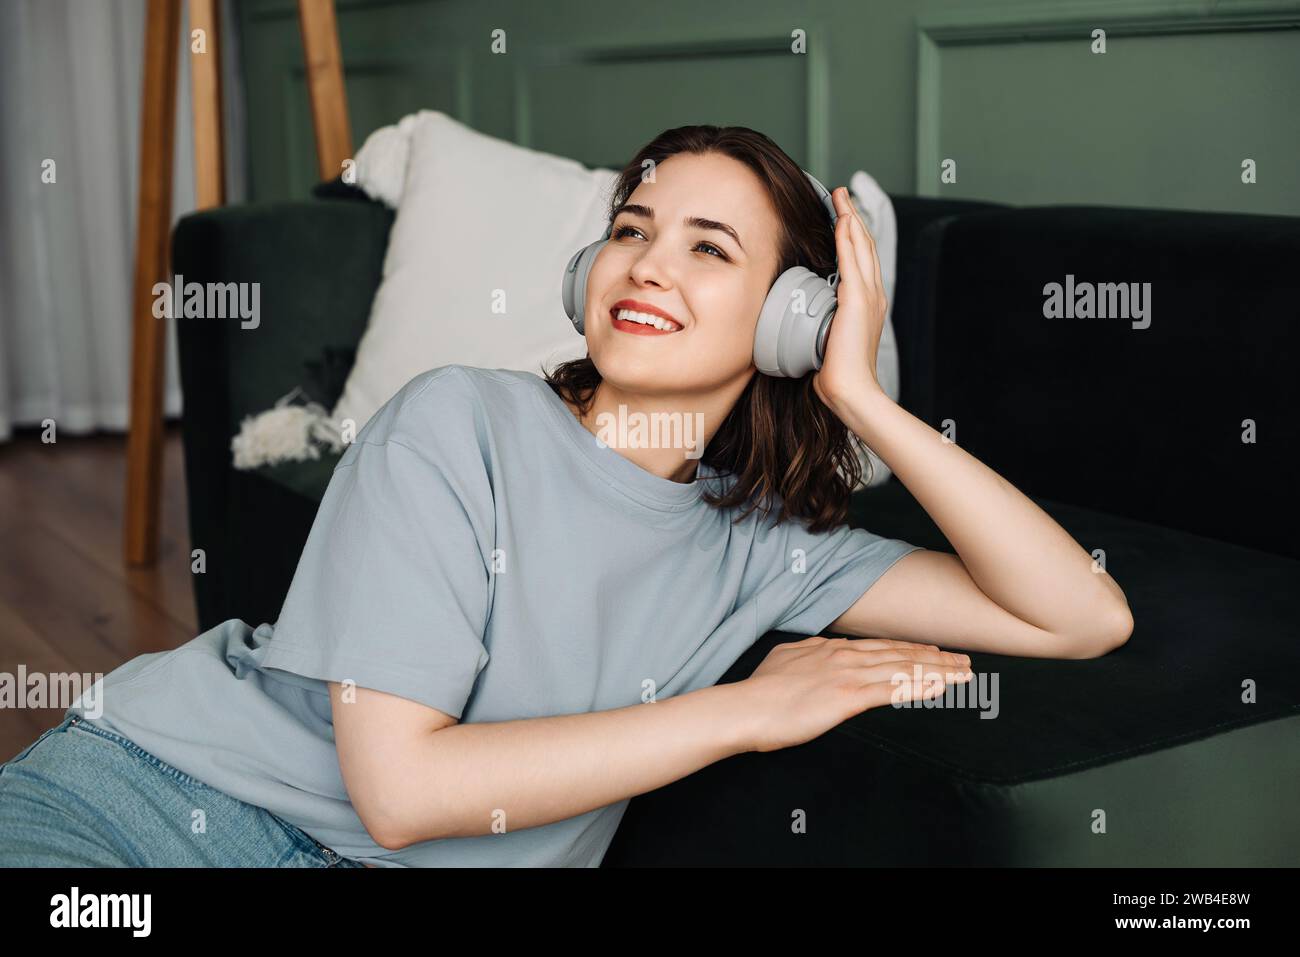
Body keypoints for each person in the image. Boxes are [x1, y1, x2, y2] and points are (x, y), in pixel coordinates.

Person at [0, 125, 1131, 868]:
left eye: (707, 250)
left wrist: (864, 399)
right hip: (155, 816)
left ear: (792, 316)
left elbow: (1080, 615)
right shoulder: (456, 424)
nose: (646, 264)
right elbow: (397, 792)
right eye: (631, 231)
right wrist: (745, 712)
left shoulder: (769, 541)